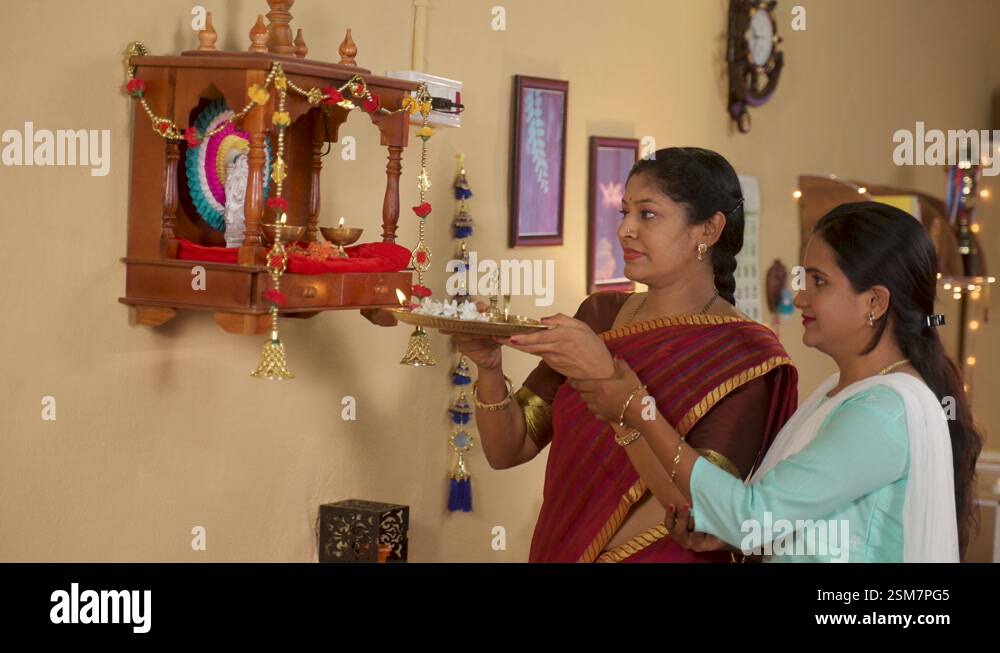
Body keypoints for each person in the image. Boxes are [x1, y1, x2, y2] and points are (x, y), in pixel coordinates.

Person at [574, 201, 982, 562]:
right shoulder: (838, 393)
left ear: (874, 302)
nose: (800, 297)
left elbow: (753, 515)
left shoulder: (883, 412)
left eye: (819, 282)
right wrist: (728, 539)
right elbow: (793, 526)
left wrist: (640, 412)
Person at [452, 147, 798, 562]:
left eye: (647, 215)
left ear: (708, 230)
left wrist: (619, 401)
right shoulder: (600, 316)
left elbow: (704, 514)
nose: (625, 231)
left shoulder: (743, 355)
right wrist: (489, 368)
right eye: (624, 213)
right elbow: (509, 449)